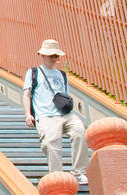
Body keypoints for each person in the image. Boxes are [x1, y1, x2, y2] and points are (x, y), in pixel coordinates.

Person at [23, 39, 89, 184]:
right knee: (51, 142)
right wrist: (28, 114)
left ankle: (78, 172)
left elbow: (65, 94)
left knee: (80, 131)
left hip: (65, 113)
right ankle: (57, 176)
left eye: (55, 56)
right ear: (43, 56)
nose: (53, 58)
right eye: (50, 55)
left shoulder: (62, 74)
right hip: (45, 115)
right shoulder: (34, 72)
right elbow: (27, 94)